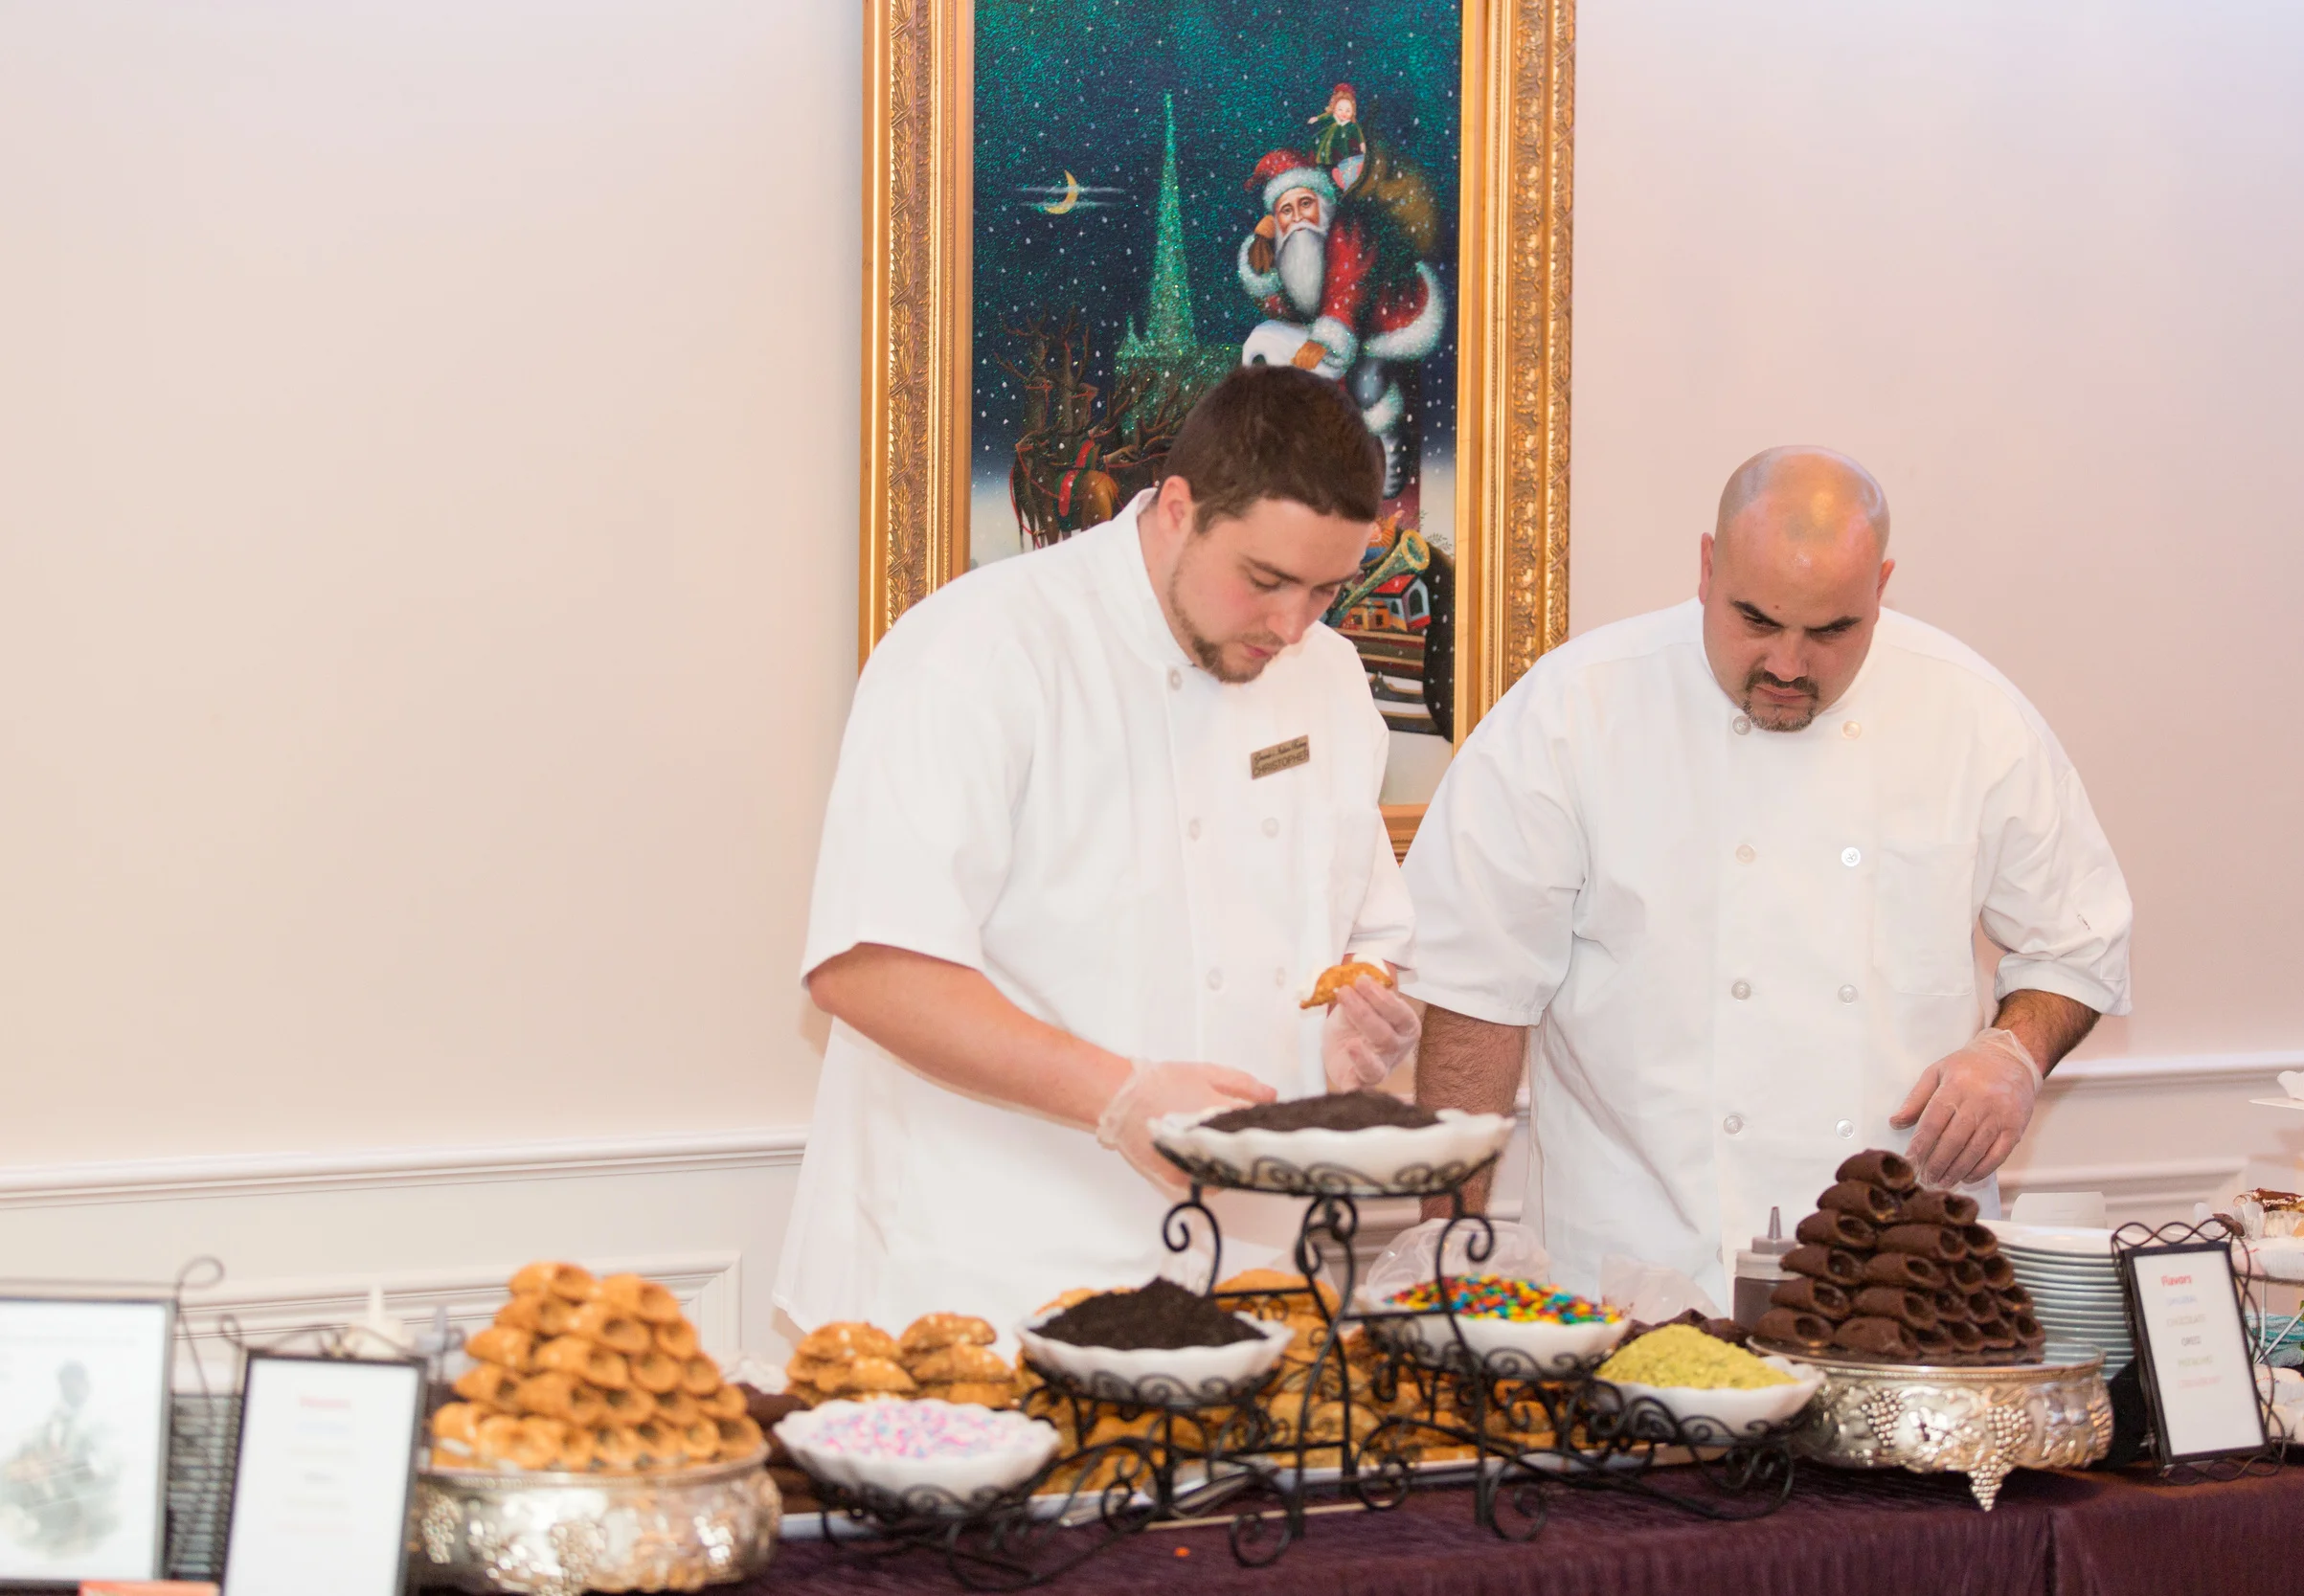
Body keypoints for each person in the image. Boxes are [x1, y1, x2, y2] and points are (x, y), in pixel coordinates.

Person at [1401, 447, 2133, 1302]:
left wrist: (2015, 1052)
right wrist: (1446, 1264)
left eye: (1831, 631)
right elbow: (1476, 993)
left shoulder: (1972, 713)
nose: (1788, 663)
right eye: (1755, 619)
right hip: (1631, 1273)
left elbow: (2078, 942)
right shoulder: (1574, 709)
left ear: (1882, 588)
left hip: (1900, 1274)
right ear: (1707, 567)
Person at [776, 367, 1420, 1336]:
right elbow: (869, 969)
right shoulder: (981, 647)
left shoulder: (1328, 676)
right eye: (1264, 580)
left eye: (1326, 589)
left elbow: (1363, 939)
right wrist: (1120, 1097)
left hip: (1245, 1279)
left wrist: (1360, 1023)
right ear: (1177, 508)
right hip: (983, 1279)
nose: (1293, 625)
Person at [1236, 147, 1444, 498]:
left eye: (1305, 204)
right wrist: (1263, 264)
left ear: (1322, 203)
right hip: (1343, 324)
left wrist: (1325, 341)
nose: (1298, 217)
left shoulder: (1347, 233)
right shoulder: (1290, 249)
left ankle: (1392, 450)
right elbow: (1291, 307)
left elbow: (1348, 288)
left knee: (1367, 383)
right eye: (1286, 210)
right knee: (1275, 350)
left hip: (1388, 320)